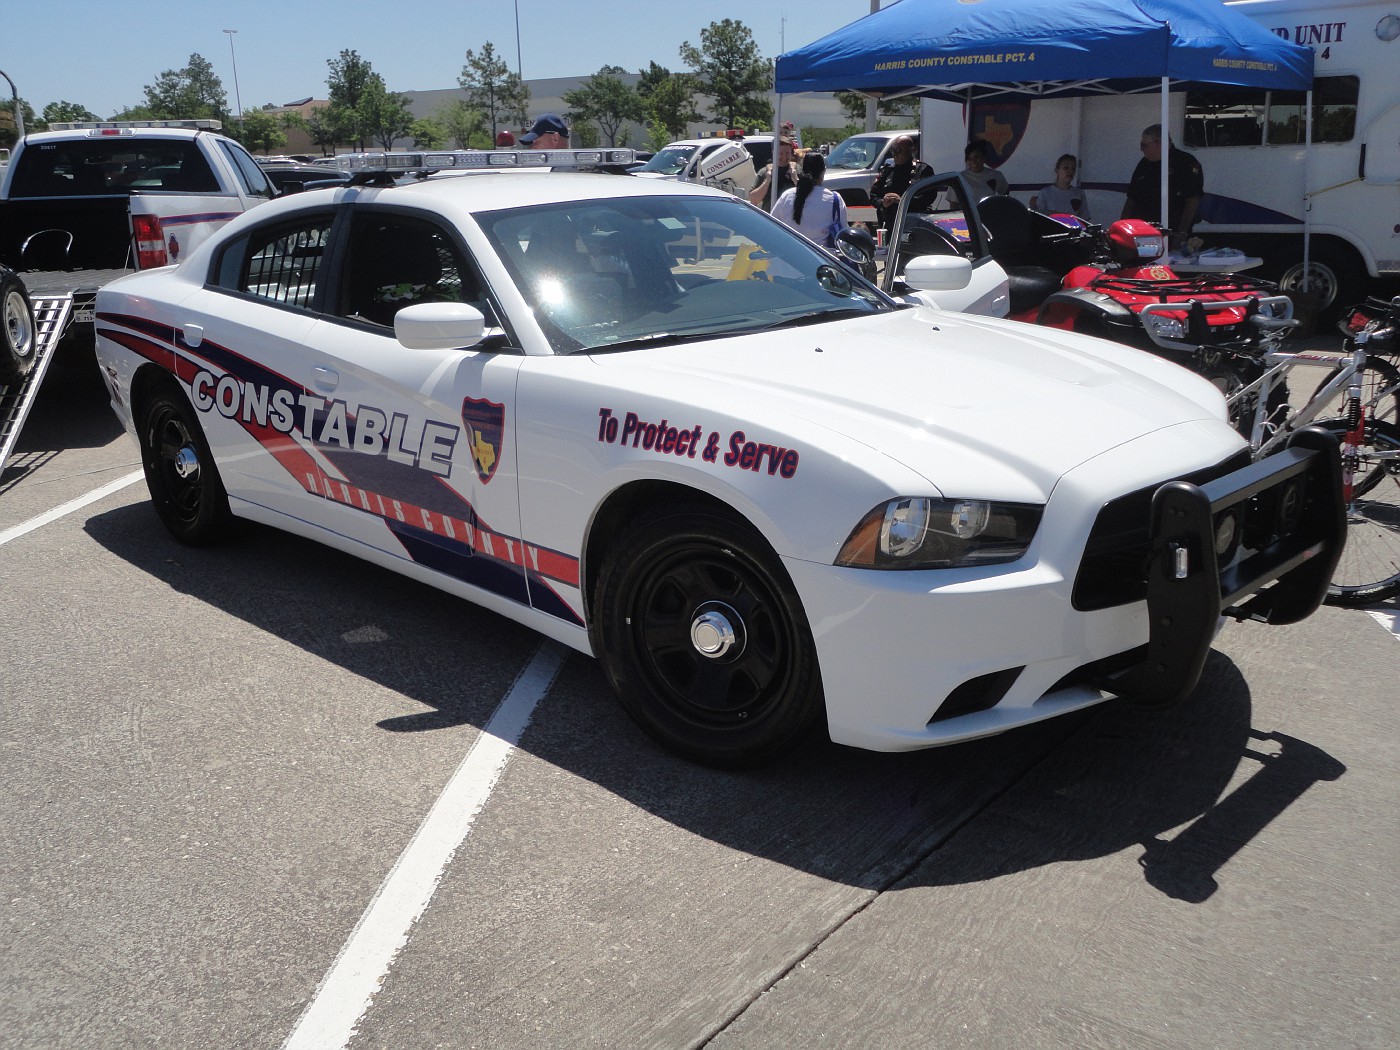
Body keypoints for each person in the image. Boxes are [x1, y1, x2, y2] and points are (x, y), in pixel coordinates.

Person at [1121, 124, 1203, 246]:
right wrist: (1122, 228)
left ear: (1158, 144)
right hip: (1143, 233)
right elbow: (1132, 198)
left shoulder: (1186, 163)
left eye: (1144, 146)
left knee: (1168, 263)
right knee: (1146, 263)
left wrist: (1180, 235)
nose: (1141, 149)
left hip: (1170, 232)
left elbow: (1192, 201)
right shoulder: (1144, 164)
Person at [772, 151, 848, 248]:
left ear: (803, 170)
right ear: (823, 171)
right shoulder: (834, 200)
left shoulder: (786, 196)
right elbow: (843, 236)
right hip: (823, 259)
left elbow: (772, 228)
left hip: (790, 258)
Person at [870, 135, 933, 236]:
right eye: (893, 150)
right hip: (890, 225)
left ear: (910, 151)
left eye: (899, 150)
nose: (895, 154)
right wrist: (883, 202)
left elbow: (928, 197)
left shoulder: (922, 170)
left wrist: (902, 201)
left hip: (914, 225)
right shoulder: (887, 171)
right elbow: (873, 196)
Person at [1030, 154, 1092, 221]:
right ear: (1057, 171)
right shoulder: (1045, 193)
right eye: (1066, 168)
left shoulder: (1079, 193)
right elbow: (1039, 218)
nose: (1070, 171)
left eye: (1073, 168)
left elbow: (1085, 219)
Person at [749, 134, 798, 211]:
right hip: (771, 219)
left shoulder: (798, 170)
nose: (784, 157)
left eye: (787, 153)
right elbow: (753, 200)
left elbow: (809, 198)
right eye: (781, 153)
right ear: (773, 153)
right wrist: (767, 182)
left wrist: (796, 180)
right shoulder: (764, 172)